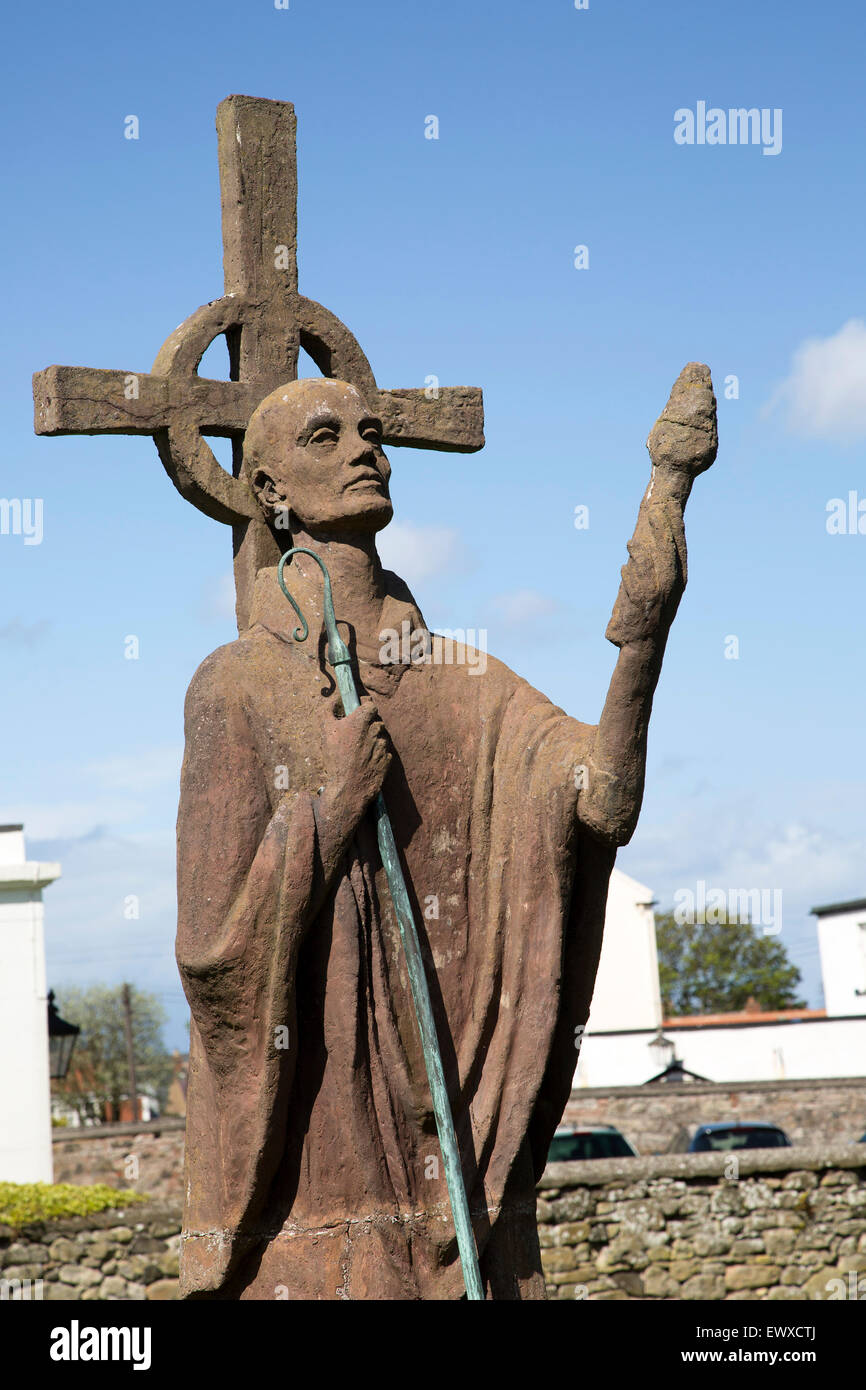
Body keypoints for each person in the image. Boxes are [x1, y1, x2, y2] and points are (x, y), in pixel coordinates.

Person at [176, 366, 717, 1299]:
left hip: (463, 1165)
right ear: (269, 492)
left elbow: (601, 800)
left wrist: (646, 636)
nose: (364, 449)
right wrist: (329, 812)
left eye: (372, 431)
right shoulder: (235, 687)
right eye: (325, 436)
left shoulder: (465, 679)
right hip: (326, 1164)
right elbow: (213, 953)